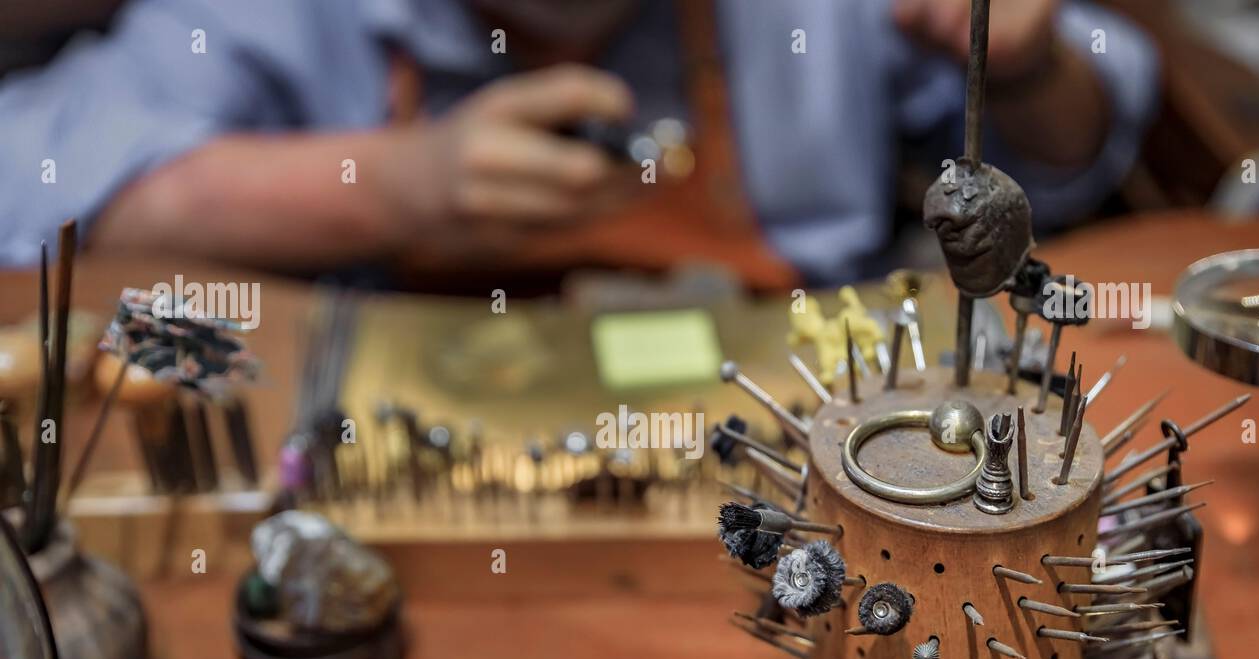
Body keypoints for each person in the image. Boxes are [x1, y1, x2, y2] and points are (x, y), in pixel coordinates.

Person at [0, 0, 1157, 290]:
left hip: (804, 456)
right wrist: (385, 190)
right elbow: (29, 173)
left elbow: (1075, 153)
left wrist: (1023, 64)